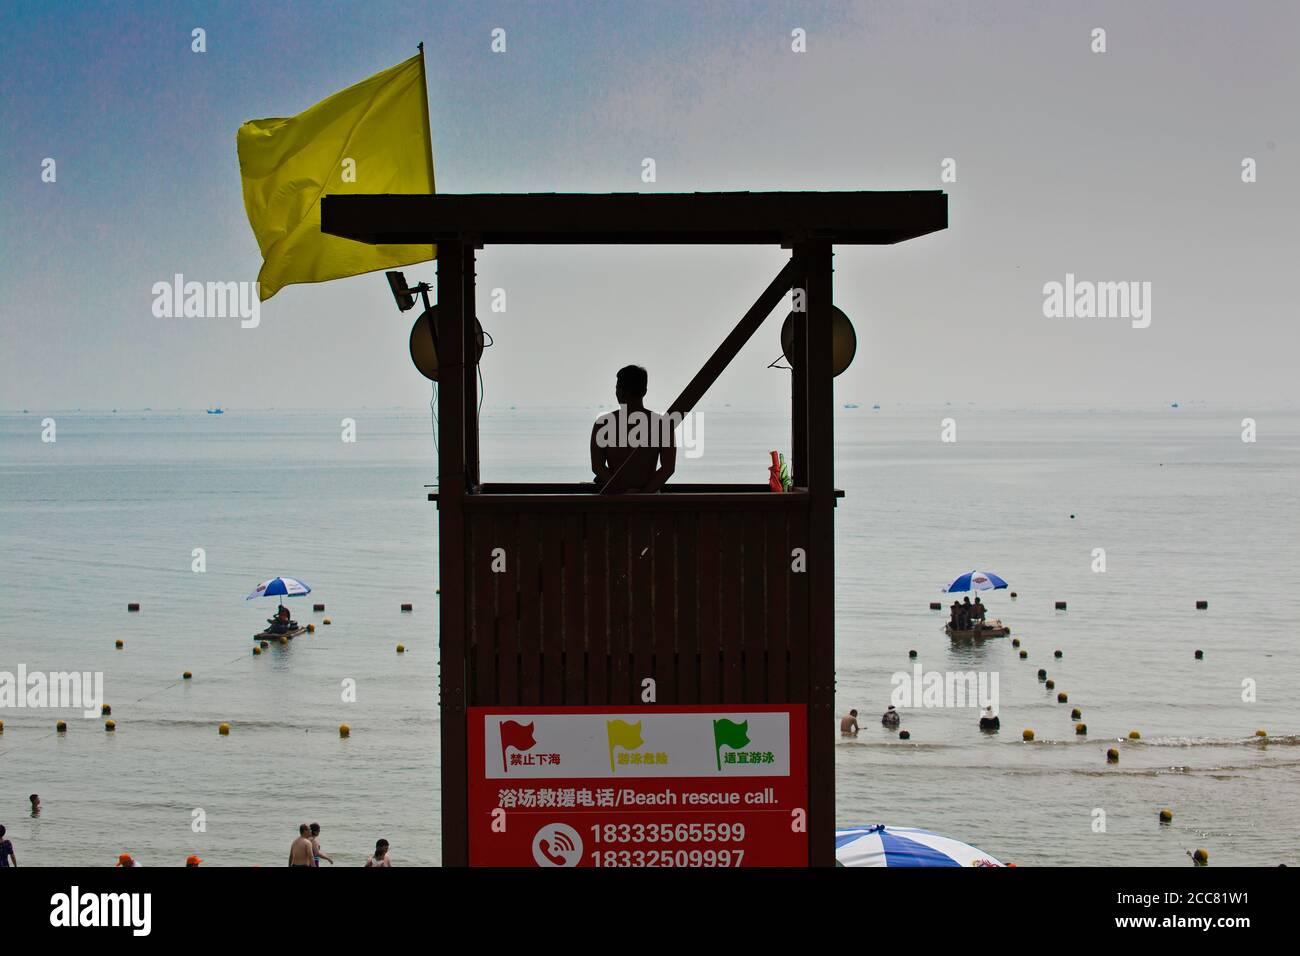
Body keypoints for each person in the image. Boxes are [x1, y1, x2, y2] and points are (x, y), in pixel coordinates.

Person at [590, 365, 676, 493]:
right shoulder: (662, 424)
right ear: (644, 391)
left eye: (618, 388)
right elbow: (668, 469)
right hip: (649, 500)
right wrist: (644, 495)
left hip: (614, 497)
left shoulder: (603, 424)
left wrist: (622, 492)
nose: (618, 392)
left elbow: (598, 467)